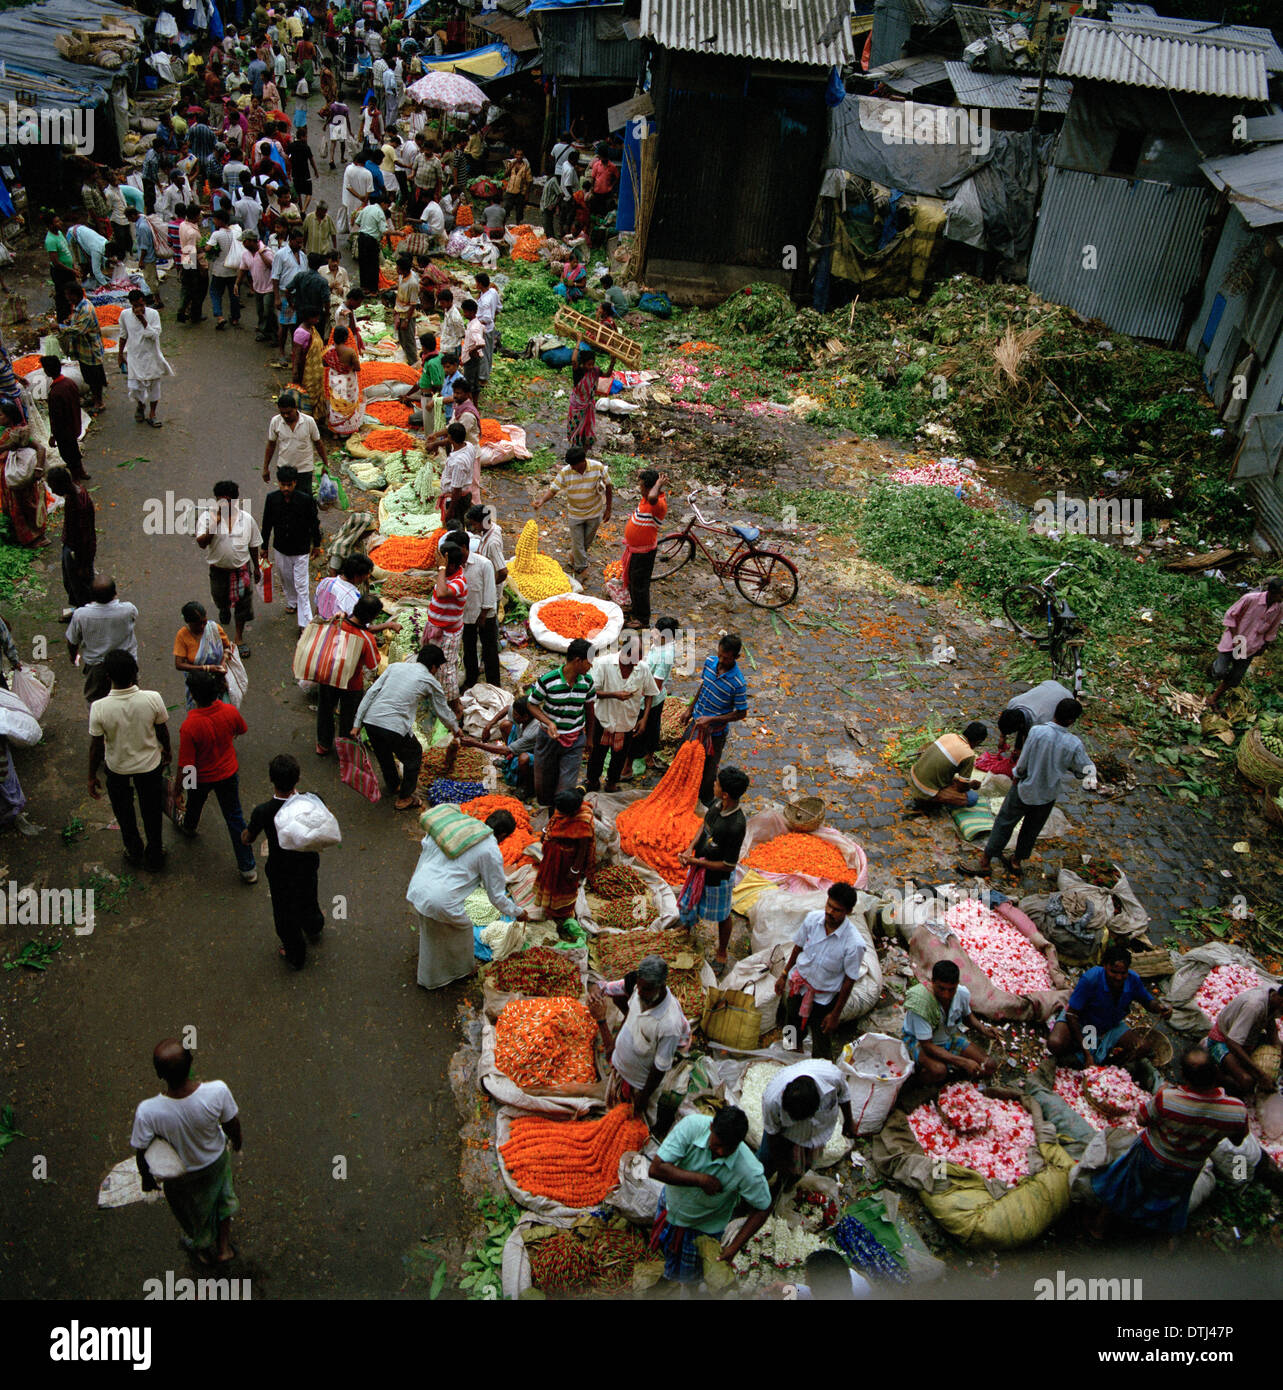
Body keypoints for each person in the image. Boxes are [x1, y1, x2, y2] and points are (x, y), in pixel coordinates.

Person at [1089, 1047, 1248, 1240]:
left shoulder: (1168, 1099)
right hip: (1187, 1168)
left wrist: (1161, 1097)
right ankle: (1164, 1246)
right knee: (1174, 1201)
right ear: (1216, 1073)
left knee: (1124, 1184)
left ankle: (1099, 1227)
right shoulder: (1236, 1111)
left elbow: (1141, 1120)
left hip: (1150, 1157)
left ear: (1184, 1076)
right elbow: (1238, 1140)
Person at [131, 1039, 242, 1264]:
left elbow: (141, 1151)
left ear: (159, 1074)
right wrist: (237, 1143)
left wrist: (146, 1178)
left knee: (191, 1213)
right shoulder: (218, 1091)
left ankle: (201, 1248)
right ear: (191, 1063)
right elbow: (232, 1124)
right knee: (222, 1201)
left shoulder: (148, 1111)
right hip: (215, 1163)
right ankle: (223, 1249)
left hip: (180, 1175)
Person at [961, 698, 1095, 879]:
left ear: (1055, 711)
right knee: (1031, 830)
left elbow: (1023, 761)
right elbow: (1084, 769)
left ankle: (985, 861)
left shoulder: (1037, 732)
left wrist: (1017, 774)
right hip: (1047, 795)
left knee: (1004, 823)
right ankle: (1016, 860)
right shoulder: (1074, 744)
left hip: (1024, 788)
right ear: (1071, 721)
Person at [406, 805, 527, 988]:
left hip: (418, 885)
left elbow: (428, 844)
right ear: (502, 835)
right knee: (462, 931)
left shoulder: (465, 827)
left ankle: (432, 970)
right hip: (440, 900)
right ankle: (456, 972)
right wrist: (518, 912)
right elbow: (496, 896)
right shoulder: (489, 849)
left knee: (433, 931)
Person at [647, 1107, 773, 1283]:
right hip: (669, 1209)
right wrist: (700, 1180)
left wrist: (734, 1247)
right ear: (711, 1127)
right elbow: (655, 1169)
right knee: (660, 1262)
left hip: (702, 1231)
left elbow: (763, 1208)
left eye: (729, 1148)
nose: (721, 1152)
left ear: (739, 1143)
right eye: (718, 1144)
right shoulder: (691, 1127)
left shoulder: (748, 1169)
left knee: (690, 1279)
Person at [88, 648, 171, 872]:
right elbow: (162, 731)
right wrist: (167, 751)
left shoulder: (99, 708)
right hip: (149, 765)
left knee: (124, 813)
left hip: (116, 767)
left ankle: (134, 850)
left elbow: (96, 747)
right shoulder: (152, 698)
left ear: (108, 678)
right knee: (152, 811)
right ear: (136, 673)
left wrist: (90, 776)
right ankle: (155, 853)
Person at [243, 753, 327, 968]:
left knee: (284, 912)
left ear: (271, 780)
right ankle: (313, 925)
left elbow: (248, 838)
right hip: (307, 862)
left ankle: (295, 953)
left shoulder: (263, 811)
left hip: (280, 869)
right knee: (309, 894)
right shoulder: (312, 800)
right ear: (298, 779)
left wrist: (243, 835)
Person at [352, 641, 457, 811]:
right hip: (394, 726)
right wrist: (456, 729)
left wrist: (357, 723)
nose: (437, 671)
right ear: (432, 666)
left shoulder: (395, 667)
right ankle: (405, 797)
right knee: (414, 754)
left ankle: (393, 785)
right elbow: (443, 710)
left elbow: (371, 693)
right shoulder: (429, 680)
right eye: (437, 668)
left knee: (384, 754)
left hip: (371, 721)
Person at [176, 671, 257, 883]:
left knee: (194, 802)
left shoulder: (189, 726)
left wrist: (179, 789)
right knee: (235, 817)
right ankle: (248, 868)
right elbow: (243, 729)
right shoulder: (229, 711)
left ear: (193, 695)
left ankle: (189, 826)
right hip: (228, 773)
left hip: (200, 777)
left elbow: (186, 766)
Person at [773, 882, 867, 1062]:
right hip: (798, 985)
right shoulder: (812, 920)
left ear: (848, 912)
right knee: (791, 1023)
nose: (830, 912)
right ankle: (789, 1055)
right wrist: (784, 975)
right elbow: (798, 946)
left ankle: (819, 1070)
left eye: (837, 910)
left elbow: (849, 980)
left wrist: (835, 1015)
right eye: (829, 905)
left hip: (824, 999)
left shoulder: (854, 944)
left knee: (821, 1037)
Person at [588, 954, 688, 1120]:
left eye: (646, 989)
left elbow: (659, 1069)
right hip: (621, 1071)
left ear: (661, 986)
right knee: (613, 1114)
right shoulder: (639, 990)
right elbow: (605, 989)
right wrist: (596, 992)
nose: (640, 992)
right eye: (639, 987)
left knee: (630, 1125)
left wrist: (642, 1101)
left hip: (639, 1086)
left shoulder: (669, 1024)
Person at [1049, 943, 1173, 1070]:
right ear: (1104, 966)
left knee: (1142, 1047)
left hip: (1109, 1025)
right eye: (1113, 972)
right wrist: (1087, 1054)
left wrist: (1159, 1008)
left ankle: (1109, 1066)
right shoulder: (1091, 979)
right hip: (1083, 1022)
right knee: (1056, 1043)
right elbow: (1071, 1014)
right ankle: (1084, 1054)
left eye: (1123, 973)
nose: (1119, 977)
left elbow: (1147, 1002)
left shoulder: (1133, 980)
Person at [678, 766, 748, 968]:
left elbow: (727, 866)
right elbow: (704, 825)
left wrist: (696, 862)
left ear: (725, 794)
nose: (713, 784)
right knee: (689, 901)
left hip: (718, 878)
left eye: (716, 783)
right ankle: (686, 929)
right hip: (700, 864)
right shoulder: (717, 805)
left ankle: (721, 951)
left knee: (722, 915)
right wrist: (690, 848)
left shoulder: (736, 825)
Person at [757, 1058, 858, 1188]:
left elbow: (844, 1094)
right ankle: (755, 1191)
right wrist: (783, 1164)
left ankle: (781, 1188)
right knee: (765, 1164)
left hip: (818, 1133)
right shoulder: (772, 1101)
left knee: (799, 1170)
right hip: (785, 1135)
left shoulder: (832, 1077)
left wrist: (849, 1121)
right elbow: (773, 1136)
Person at [901, 958, 999, 1083]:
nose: (946, 995)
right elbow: (927, 1045)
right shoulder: (921, 1003)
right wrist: (963, 1062)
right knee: (939, 1071)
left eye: (951, 989)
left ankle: (955, 1072)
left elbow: (968, 1017)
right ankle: (917, 1081)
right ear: (932, 982)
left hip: (948, 1036)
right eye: (941, 988)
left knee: (989, 1065)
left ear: (957, 984)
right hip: (919, 1041)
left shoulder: (962, 994)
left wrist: (983, 1029)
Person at [678, 633, 749, 806]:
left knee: (708, 771)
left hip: (715, 733)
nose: (721, 660)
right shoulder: (710, 663)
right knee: (682, 756)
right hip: (696, 724)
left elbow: (741, 713)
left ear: (736, 657)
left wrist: (712, 719)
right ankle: (681, 790)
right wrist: (690, 709)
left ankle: (704, 801)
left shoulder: (738, 683)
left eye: (726, 658)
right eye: (720, 655)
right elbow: (703, 686)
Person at [196, 480, 263, 657]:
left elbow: (254, 545)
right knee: (219, 597)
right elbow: (202, 543)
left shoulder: (247, 519)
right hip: (218, 570)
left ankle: (239, 638)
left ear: (235, 501)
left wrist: (256, 568)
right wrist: (215, 522)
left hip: (241, 570)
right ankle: (224, 608)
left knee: (243, 605)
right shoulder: (207, 518)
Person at [527, 637, 596, 809]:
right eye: (589, 662)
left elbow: (590, 710)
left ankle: (560, 815)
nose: (591, 666)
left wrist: (589, 738)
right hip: (549, 739)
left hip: (575, 739)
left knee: (566, 786)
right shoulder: (548, 680)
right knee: (543, 782)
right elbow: (531, 704)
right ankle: (547, 810)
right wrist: (549, 723)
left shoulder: (587, 682)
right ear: (578, 661)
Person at [586, 638, 657, 793]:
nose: (639, 661)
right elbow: (591, 692)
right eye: (637, 657)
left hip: (626, 722)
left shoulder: (642, 668)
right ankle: (592, 781)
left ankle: (611, 783)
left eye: (641, 656)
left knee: (619, 756)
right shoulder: (604, 664)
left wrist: (644, 719)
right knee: (597, 754)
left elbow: (650, 693)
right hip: (604, 719)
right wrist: (614, 694)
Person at [315, 593, 381, 756]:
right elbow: (373, 664)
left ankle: (323, 744)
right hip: (351, 685)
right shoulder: (366, 638)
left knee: (325, 710)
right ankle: (344, 748)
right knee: (348, 717)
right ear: (371, 617)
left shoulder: (337, 622)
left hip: (328, 676)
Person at [532, 446, 611, 577]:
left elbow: (608, 486)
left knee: (586, 542)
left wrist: (608, 509)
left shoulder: (598, 467)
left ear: (583, 461)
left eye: (575, 465)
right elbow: (553, 490)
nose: (572, 468)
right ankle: (582, 569)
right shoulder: (565, 472)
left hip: (594, 513)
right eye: (571, 466)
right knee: (578, 543)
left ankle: (574, 555)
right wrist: (542, 501)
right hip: (575, 514)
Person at [1208, 577, 1282, 711]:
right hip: (1236, 639)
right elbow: (1231, 616)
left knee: (1236, 675)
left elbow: (1273, 628)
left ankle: (1214, 697)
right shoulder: (1250, 599)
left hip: (1252, 645)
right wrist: (1237, 638)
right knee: (1220, 671)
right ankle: (1213, 669)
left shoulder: (1279, 607)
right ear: (1272, 592)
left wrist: (1264, 646)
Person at [261, 464, 322, 628]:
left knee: (301, 585)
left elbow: (314, 524)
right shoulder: (272, 499)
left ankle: (305, 623)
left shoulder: (306, 500)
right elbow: (266, 524)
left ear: (295, 483)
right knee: (285, 578)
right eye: (283, 485)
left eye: (289, 485)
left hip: (301, 549)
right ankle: (292, 601)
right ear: (278, 483)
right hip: (280, 547)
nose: (286, 488)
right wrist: (264, 547)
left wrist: (316, 544)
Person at [1203, 983, 1283, 1097]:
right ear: (1281, 1002)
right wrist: (1261, 1074)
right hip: (1223, 1040)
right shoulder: (1254, 1006)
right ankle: (1214, 1074)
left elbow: (1270, 1022)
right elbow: (1232, 1043)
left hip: (1247, 1037)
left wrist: (1278, 1050)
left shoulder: (1275, 993)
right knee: (1247, 1081)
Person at [67, 577, 138, 704]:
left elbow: (72, 641)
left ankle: (99, 720)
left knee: (95, 699)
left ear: (91, 595)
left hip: (97, 663)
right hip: (125, 661)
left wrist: (73, 656)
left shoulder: (81, 615)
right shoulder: (128, 609)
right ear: (115, 593)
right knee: (129, 695)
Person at [533, 787, 595, 932]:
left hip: (567, 860)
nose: (559, 812)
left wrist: (575, 869)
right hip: (552, 857)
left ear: (573, 811)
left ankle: (561, 913)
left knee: (563, 886)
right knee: (549, 880)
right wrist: (544, 832)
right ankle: (549, 906)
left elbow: (583, 849)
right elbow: (553, 820)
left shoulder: (583, 821)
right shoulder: (562, 809)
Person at [117, 289, 173, 428]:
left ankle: (152, 414)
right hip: (135, 357)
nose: (139, 308)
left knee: (154, 387)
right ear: (131, 304)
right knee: (136, 388)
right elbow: (123, 335)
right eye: (136, 305)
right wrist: (120, 354)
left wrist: (142, 319)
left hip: (152, 357)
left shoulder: (153, 315)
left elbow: (154, 335)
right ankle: (140, 406)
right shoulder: (124, 315)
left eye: (142, 305)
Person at [45, 466, 96, 612]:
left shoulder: (79, 504)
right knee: (71, 582)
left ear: (63, 484)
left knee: (81, 586)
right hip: (71, 546)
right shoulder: (74, 493)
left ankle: (86, 615)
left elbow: (85, 538)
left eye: (54, 487)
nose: (53, 492)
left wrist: (83, 564)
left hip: (78, 552)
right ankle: (79, 610)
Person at [634, 617, 679, 778]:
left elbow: (655, 686)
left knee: (648, 727)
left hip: (651, 699)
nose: (653, 634)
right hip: (643, 691)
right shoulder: (658, 643)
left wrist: (636, 691)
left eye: (657, 632)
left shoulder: (665, 656)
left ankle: (647, 756)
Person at [621, 468, 666, 629]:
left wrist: (659, 484)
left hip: (644, 553)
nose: (639, 488)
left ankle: (642, 619)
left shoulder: (657, 503)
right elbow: (649, 493)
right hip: (635, 550)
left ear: (649, 488)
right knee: (633, 582)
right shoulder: (646, 498)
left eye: (641, 486)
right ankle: (636, 608)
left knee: (640, 586)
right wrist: (642, 473)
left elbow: (653, 496)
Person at [263, 389, 329, 496]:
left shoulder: (309, 421)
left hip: (304, 469)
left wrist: (325, 465)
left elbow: (318, 443)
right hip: (284, 468)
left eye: (289, 412)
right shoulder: (275, 422)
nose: (285, 416)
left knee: (304, 500)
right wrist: (265, 468)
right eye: (282, 413)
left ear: (296, 409)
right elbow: (271, 444)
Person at [909, 721, 987, 809]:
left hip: (914, 776)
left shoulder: (949, 736)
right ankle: (934, 803)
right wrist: (972, 785)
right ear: (978, 741)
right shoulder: (969, 754)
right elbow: (962, 788)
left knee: (955, 779)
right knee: (973, 798)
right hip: (924, 789)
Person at [57, 283, 108, 413]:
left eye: (69, 295)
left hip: (91, 350)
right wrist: (69, 322)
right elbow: (77, 322)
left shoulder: (86, 309)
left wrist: (60, 328)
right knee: (88, 377)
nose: (67, 298)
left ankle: (99, 403)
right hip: (83, 350)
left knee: (95, 378)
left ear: (75, 295)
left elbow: (80, 329)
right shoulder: (78, 306)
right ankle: (94, 398)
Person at [0, 404, 46, 546]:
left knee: (23, 507)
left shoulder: (19, 433)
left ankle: (34, 538)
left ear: (10, 416)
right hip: (10, 478)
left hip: (19, 476)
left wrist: (39, 467)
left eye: (1, 415)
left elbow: (40, 448)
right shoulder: (8, 432)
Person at [173, 600, 232, 710]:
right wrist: (207, 668)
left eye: (204, 622)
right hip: (198, 686)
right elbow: (179, 664)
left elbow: (227, 648)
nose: (202, 627)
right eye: (198, 624)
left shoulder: (214, 628)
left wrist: (223, 662)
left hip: (219, 682)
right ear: (188, 622)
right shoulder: (182, 635)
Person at [996, 679, 1074, 758]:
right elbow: (1008, 720)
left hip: (1065, 696)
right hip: (1049, 683)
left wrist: (1023, 753)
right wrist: (1002, 737)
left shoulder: (1042, 722)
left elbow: (1028, 734)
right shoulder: (1013, 703)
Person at [480, 694, 538, 798]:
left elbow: (507, 750)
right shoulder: (522, 715)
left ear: (525, 717)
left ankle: (527, 787)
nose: (513, 715)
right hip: (522, 743)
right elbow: (507, 709)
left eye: (516, 715)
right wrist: (489, 725)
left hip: (537, 754)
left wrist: (477, 744)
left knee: (523, 758)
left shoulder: (533, 730)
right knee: (505, 725)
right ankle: (508, 761)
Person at [42, 356, 88, 483]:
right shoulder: (69, 383)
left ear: (47, 371)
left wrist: (53, 435)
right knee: (74, 450)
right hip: (74, 425)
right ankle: (82, 471)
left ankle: (76, 477)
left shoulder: (55, 391)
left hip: (63, 431)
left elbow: (55, 417)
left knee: (68, 454)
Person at [566, 342, 613, 448]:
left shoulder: (595, 371)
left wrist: (612, 362)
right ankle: (575, 443)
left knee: (587, 425)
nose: (591, 366)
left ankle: (584, 440)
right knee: (575, 425)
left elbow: (607, 375)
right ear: (582, 363)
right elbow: (574, 360)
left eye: (592, 364)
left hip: (588, 404)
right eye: (589, 364)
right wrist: (578, 341)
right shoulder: (578, 372)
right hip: (577, 405)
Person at [235, 229, 277, 342]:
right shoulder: (245, 255)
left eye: (244, 242)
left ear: (250, 241)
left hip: (269, 288)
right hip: (257, 288)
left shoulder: (267, 251)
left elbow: (272, 266)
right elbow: (243, 270)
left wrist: (261, 253)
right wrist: (237, 284)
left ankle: (275, 335)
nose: (243, 244)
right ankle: (264, 332)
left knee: (268, 312)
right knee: (261, 311)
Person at [206, 208, 242, 330]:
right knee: (234, 294)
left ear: (220, 220)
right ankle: (235, 317)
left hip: (219, 269)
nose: (214, 222)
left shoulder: (216, 234)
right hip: (232, 269)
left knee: (215, 293)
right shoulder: (234, 233)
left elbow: (208, 248)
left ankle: (220, 316)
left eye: (215, 219)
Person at [175, 203, 209, 325]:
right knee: (198, 290)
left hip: (185, 259)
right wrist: (200, 269)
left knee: (187, 288)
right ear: (195, 216)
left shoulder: (183, 225)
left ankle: (184, 310)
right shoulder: (192, 232)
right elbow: (193, 252)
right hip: (193, 262)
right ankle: (194, 314)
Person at [438, 422, 476, 528]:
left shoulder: (458, 462)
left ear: (450, 437)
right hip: (464, 494)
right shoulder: (469, 446)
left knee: (456, 527)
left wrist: (450, 511)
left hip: (457, 500)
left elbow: (457, 490)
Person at [126, 206, 163, 308]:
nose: (129, 220)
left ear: (133, 215)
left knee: (150, 279)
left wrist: (141, 260)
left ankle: (158, 301)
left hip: (147, 258)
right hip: (149, 256)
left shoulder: (142, 227)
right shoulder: (142, 220)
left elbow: (144, 247)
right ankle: (155, 299)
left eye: (129, 218)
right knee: (152, 278)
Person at [354, 190, 388, 292]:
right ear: (383, 204)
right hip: (371, 240)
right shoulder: (380, 213)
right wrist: (397, 233)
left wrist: (366, 228)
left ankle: (364, 287)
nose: (387, 207)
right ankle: (373, 290)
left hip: (361, 238)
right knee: (373, 264)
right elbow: (384, 230)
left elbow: (357, 222)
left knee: (363, 263)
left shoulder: (367, 208)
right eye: (387, 205)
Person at [474, 271, 500, 392]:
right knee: (488, 350)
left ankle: (483, 378)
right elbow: (499, 308)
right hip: (491, 327)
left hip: (484, 328)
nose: (475, 285)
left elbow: (486, 318)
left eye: (476, 283)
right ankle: (486, 372)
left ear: (480, 284)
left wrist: (476, 323)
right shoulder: (493, 292)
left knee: (483, 353)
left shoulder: (485, 301)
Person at [393, 253, 419, 364]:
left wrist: (407, 320)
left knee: (409, 341)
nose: (396, 269)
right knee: (402, 340)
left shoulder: (412, 283)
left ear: (403, 269)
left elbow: (413, 304)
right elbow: (399, 294)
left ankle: (414, 363)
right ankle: (409, 361)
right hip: (400, 312)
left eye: (398, 267)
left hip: (408, 315)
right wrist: (396, 315)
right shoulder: (401, 277)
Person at [458, 296, 485, 399]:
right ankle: (474, 404)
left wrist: (472, 351)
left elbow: (481, 343)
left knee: (469, 383)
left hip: (471, 359)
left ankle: (469, 404)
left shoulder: (474, 327)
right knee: (474, 381)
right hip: (471, 357)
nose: (464, 314)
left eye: (465, 312)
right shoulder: (474, 323)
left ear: (472, 312)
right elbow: (484, 332)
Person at [501, 147, 532, 225]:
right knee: (506, 208)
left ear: (523, 156)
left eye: (521, 155)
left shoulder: (526, 166)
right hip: (510, 190)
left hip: (520, 192)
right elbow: (505, 175)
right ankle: (503, 225)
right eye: (517, 154)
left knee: (519, 211)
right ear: (515, 155)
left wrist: (527, 194)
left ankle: (518, 225)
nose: (519, 156)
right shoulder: (511, 163)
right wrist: (511, 166)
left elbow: (529, 181)